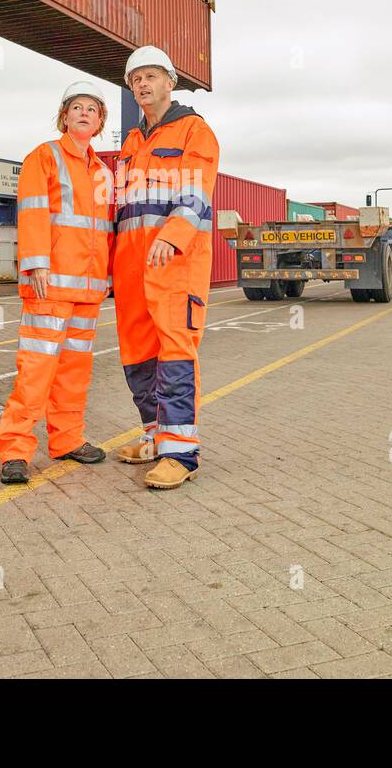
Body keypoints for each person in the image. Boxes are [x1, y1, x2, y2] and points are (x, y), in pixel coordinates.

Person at [111, 45, 220, 490]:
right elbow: (120, 208)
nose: (142, 84)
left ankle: (181, 453)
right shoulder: (133, 143)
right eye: (135, 79)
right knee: (138, 354)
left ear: (170, 82)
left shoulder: (195, 131)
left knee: (175, 353)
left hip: (175, 262)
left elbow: (196, 194)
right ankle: (156, 436)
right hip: (132, 267)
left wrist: (171, 238)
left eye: (150, 76)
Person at [0, 82, 115, 485]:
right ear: (64, 116)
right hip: (50, 285)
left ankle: (67, 440)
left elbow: (104, 230)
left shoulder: (102, 171)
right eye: (76, 107)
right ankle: (15, 451)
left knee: (75, 370)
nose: (84, 114)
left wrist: (108, 277)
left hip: (88, 289)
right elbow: (32, 212)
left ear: (100, 123)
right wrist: (35, 264)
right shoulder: (44, 157)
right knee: (36, 370)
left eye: (92, 110)